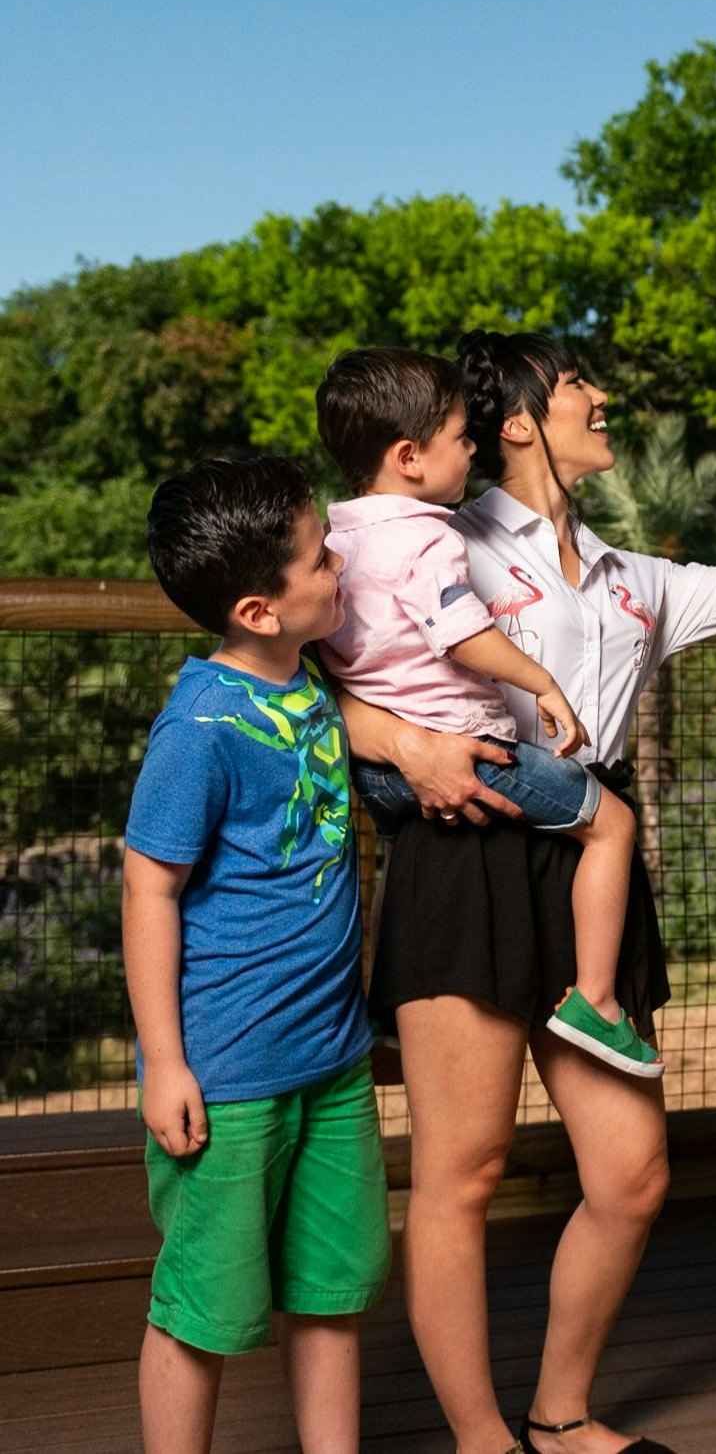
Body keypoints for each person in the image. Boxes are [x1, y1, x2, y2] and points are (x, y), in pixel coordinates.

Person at [340, 333, 716, 1454]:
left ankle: (560, 1417)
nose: (601, 398)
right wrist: (404, 745)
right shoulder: (432, 532)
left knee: (631, 1174)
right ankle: (482, 1442)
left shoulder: (631, 578)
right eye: (575, 387)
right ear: (516, 422)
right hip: (466, 849)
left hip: (592, 849)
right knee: (463, 1173)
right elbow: (317, 674)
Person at [126, 456, 390, 1454]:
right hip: (228, 1076)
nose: (339, 564)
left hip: (333, 1061)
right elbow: (149, 891)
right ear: (258, 610)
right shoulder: (198, 729)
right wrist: (167, 1064)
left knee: (330, 1294)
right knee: (201, 1309)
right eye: (321, 557)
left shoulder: (310, 681)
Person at [315, 347, 657, 1078]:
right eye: (459, 437)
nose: (473, 448)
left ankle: (386, 1018)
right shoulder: (429, 536)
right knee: (613, 824)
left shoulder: (335, 544)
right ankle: (595, 1001)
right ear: (409, 457)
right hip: (473, 753)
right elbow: (461, 632)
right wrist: (541, 681)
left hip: (381, 779)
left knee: (403, 861)